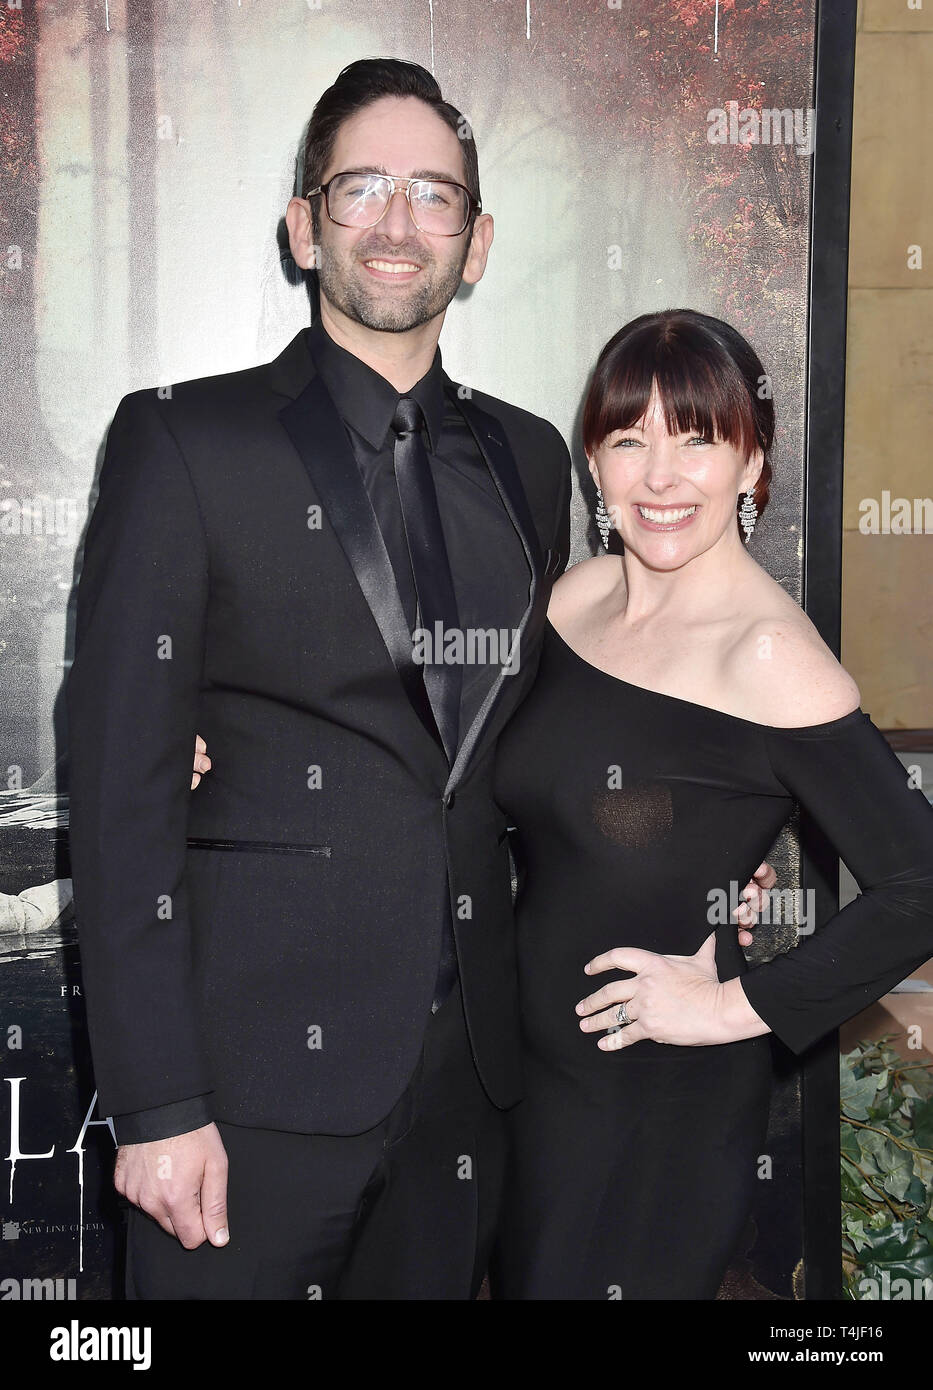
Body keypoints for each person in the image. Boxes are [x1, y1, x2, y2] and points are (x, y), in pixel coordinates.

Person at [67, 59, 769, 1301]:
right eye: (362, 189)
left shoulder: (531, 454)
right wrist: (158, 1103)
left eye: (435, 194)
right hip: (243, 1099)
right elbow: (120, 806)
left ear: (478, 241)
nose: (399, 223)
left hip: (476, 1088)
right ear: (305, 225)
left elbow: (551, 732)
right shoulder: (183, 440)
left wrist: (704, 839)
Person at [488, 308, 933, 1299]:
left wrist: (734, 1008)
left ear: (751, 461)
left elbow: (920, 883)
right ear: (593, 465)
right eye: (628, 439)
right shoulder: (570, 599)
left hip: (655, 1106)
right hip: (527, 1085)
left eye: (697, 439)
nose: (659, 476)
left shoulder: (766, 651)